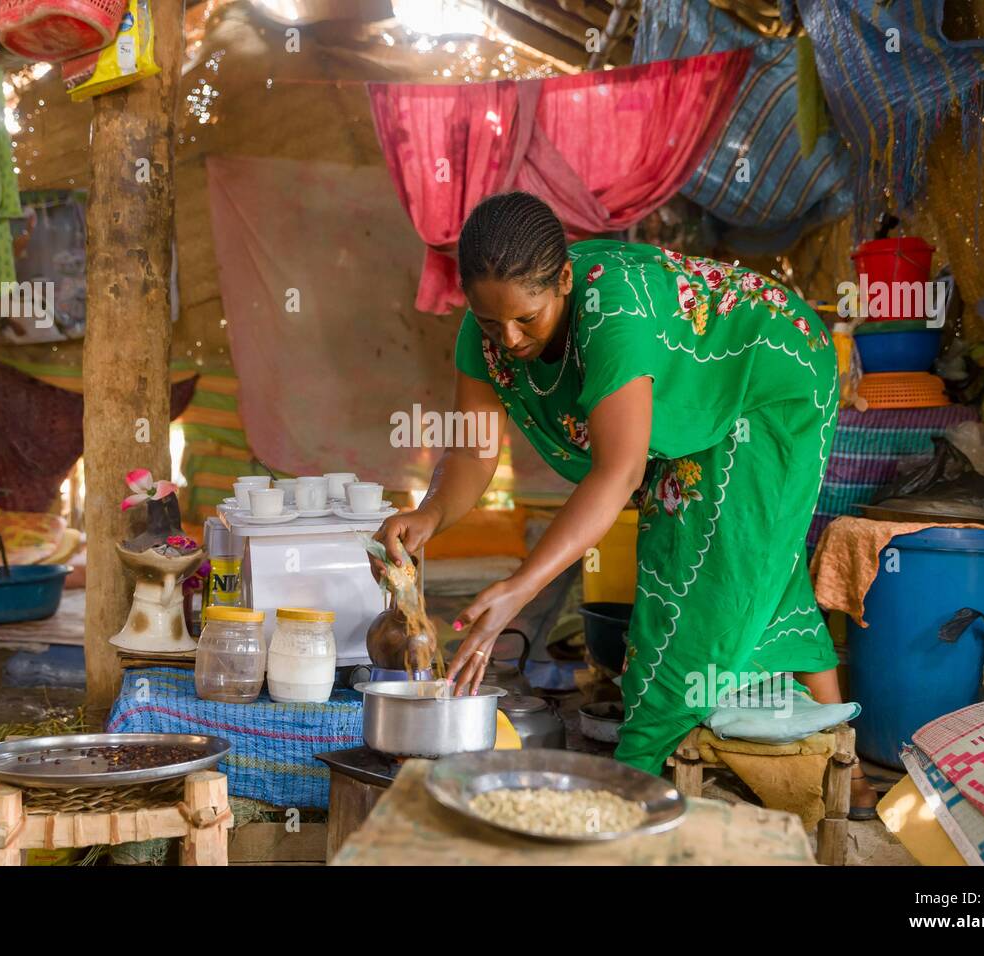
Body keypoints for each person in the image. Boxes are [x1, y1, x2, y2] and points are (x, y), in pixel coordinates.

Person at [374, 191, 876, 815]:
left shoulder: (615, 314)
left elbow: (618, 472)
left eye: (526, 319)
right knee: (745, 563)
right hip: (690, 410)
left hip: (768, 378)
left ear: (563, 279)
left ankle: (629, 791)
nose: (508, 337)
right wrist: (428, 514)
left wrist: (522, 587)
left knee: (703, 597)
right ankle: (847, 777)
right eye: (488, 319)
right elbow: (474, 455)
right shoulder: (487, 335)